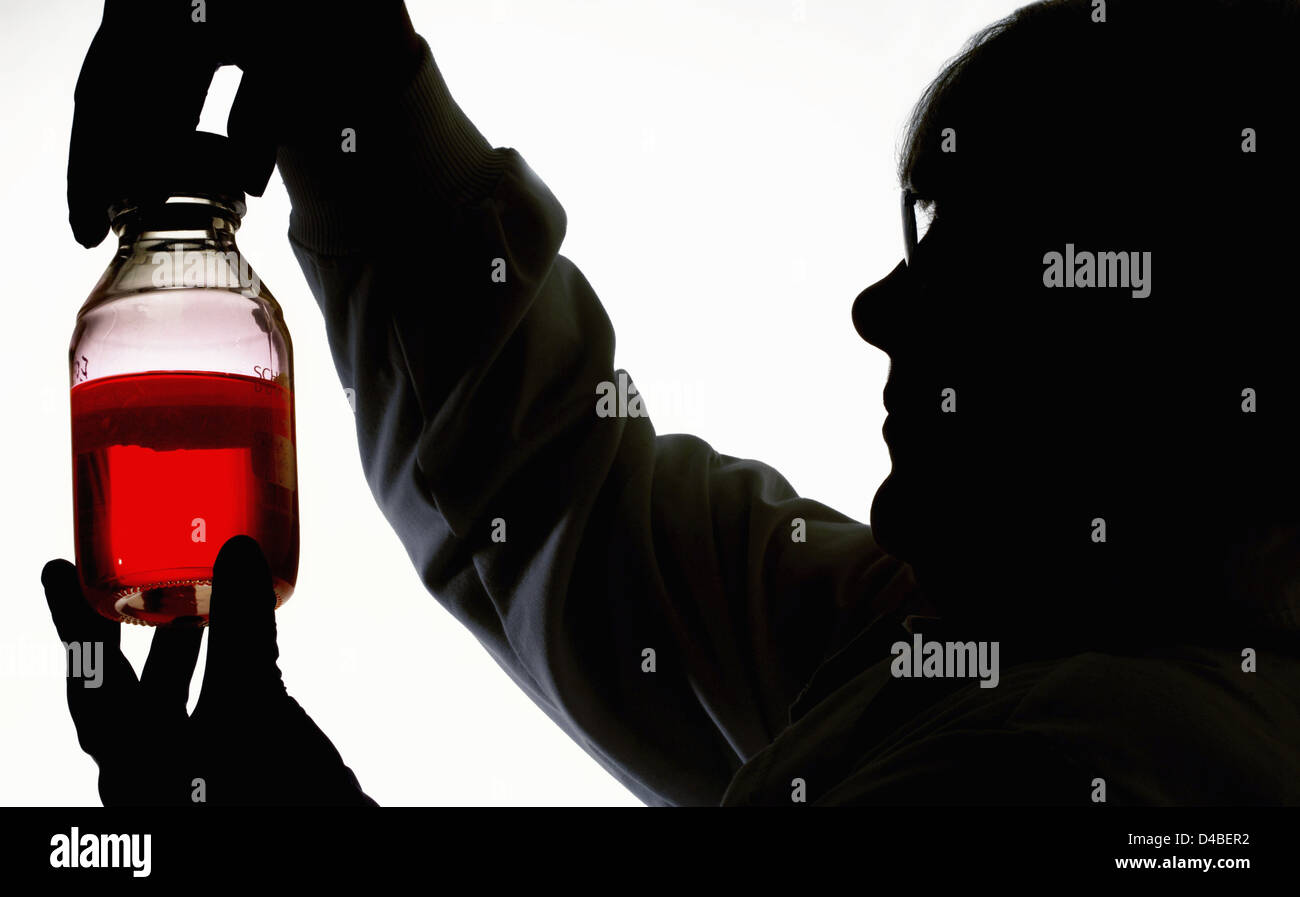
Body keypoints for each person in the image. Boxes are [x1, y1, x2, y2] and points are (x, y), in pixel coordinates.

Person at [45, 0, 1300, 806]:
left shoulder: (1118, 766)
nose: (881, 312)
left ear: (1187, 343)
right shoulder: (961, 642)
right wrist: (338, 65)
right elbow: (556, 499)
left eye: (973, 269)